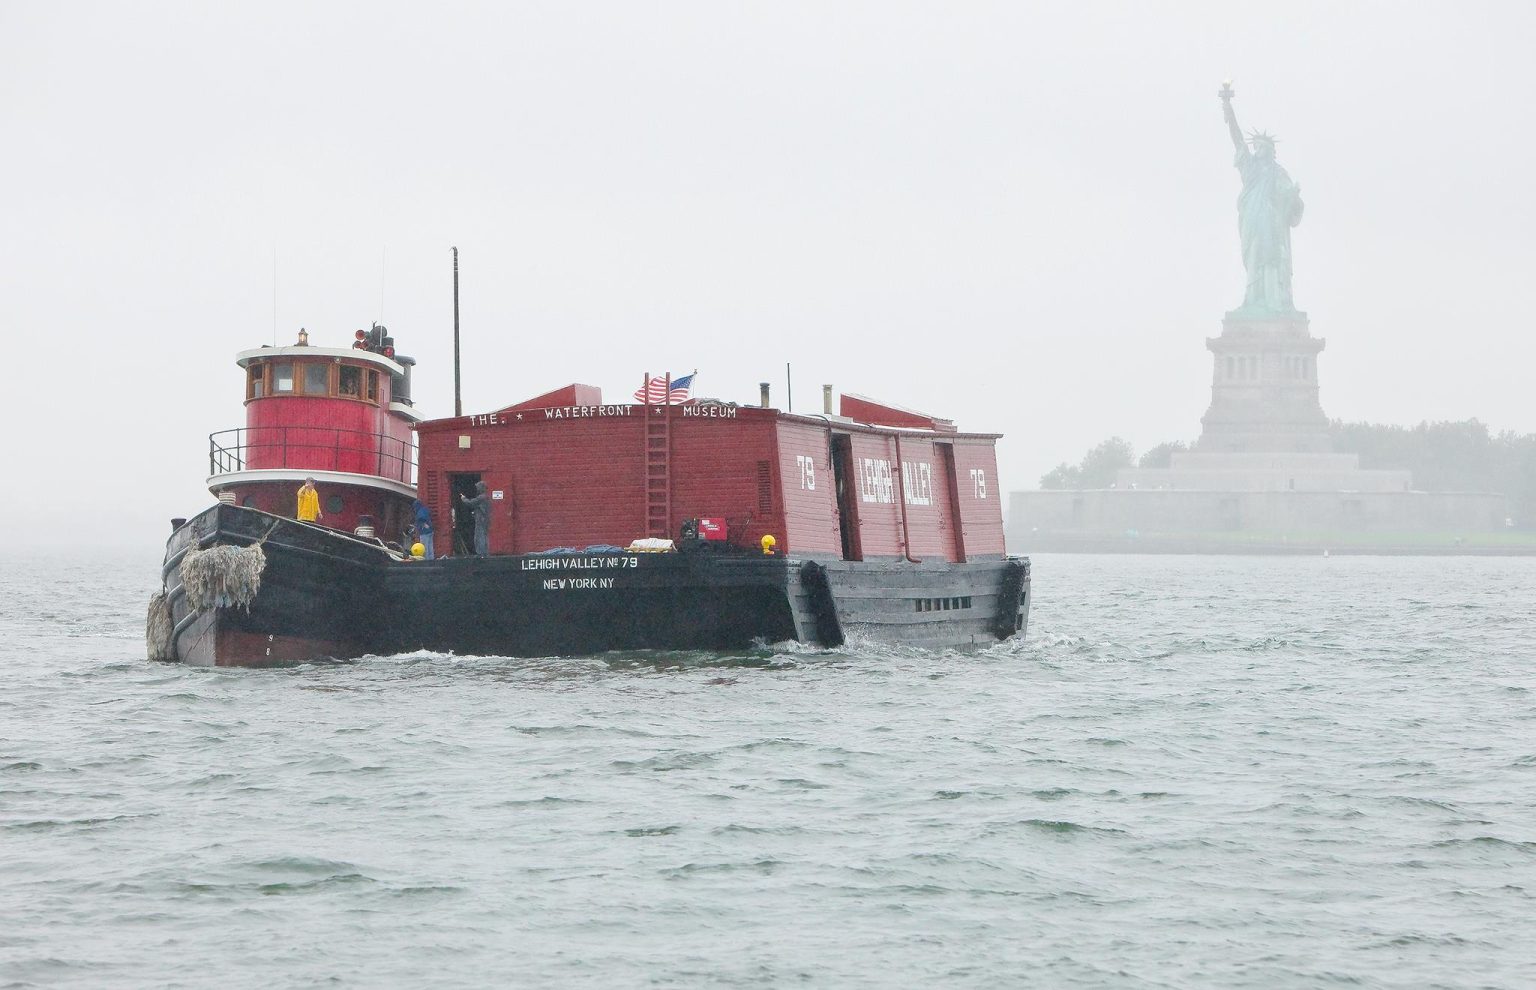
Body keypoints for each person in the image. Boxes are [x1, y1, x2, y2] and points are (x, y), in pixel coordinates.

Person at [459, 481, 491, 556]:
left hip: (481, 520)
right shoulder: (486, 497)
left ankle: (481, 553)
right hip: (485, 519)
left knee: (479, 536)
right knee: (484, 536)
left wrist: (464, 499)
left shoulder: (481, 497)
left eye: (478, 487)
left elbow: (470, 503)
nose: (477, 489)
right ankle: (485, 553)